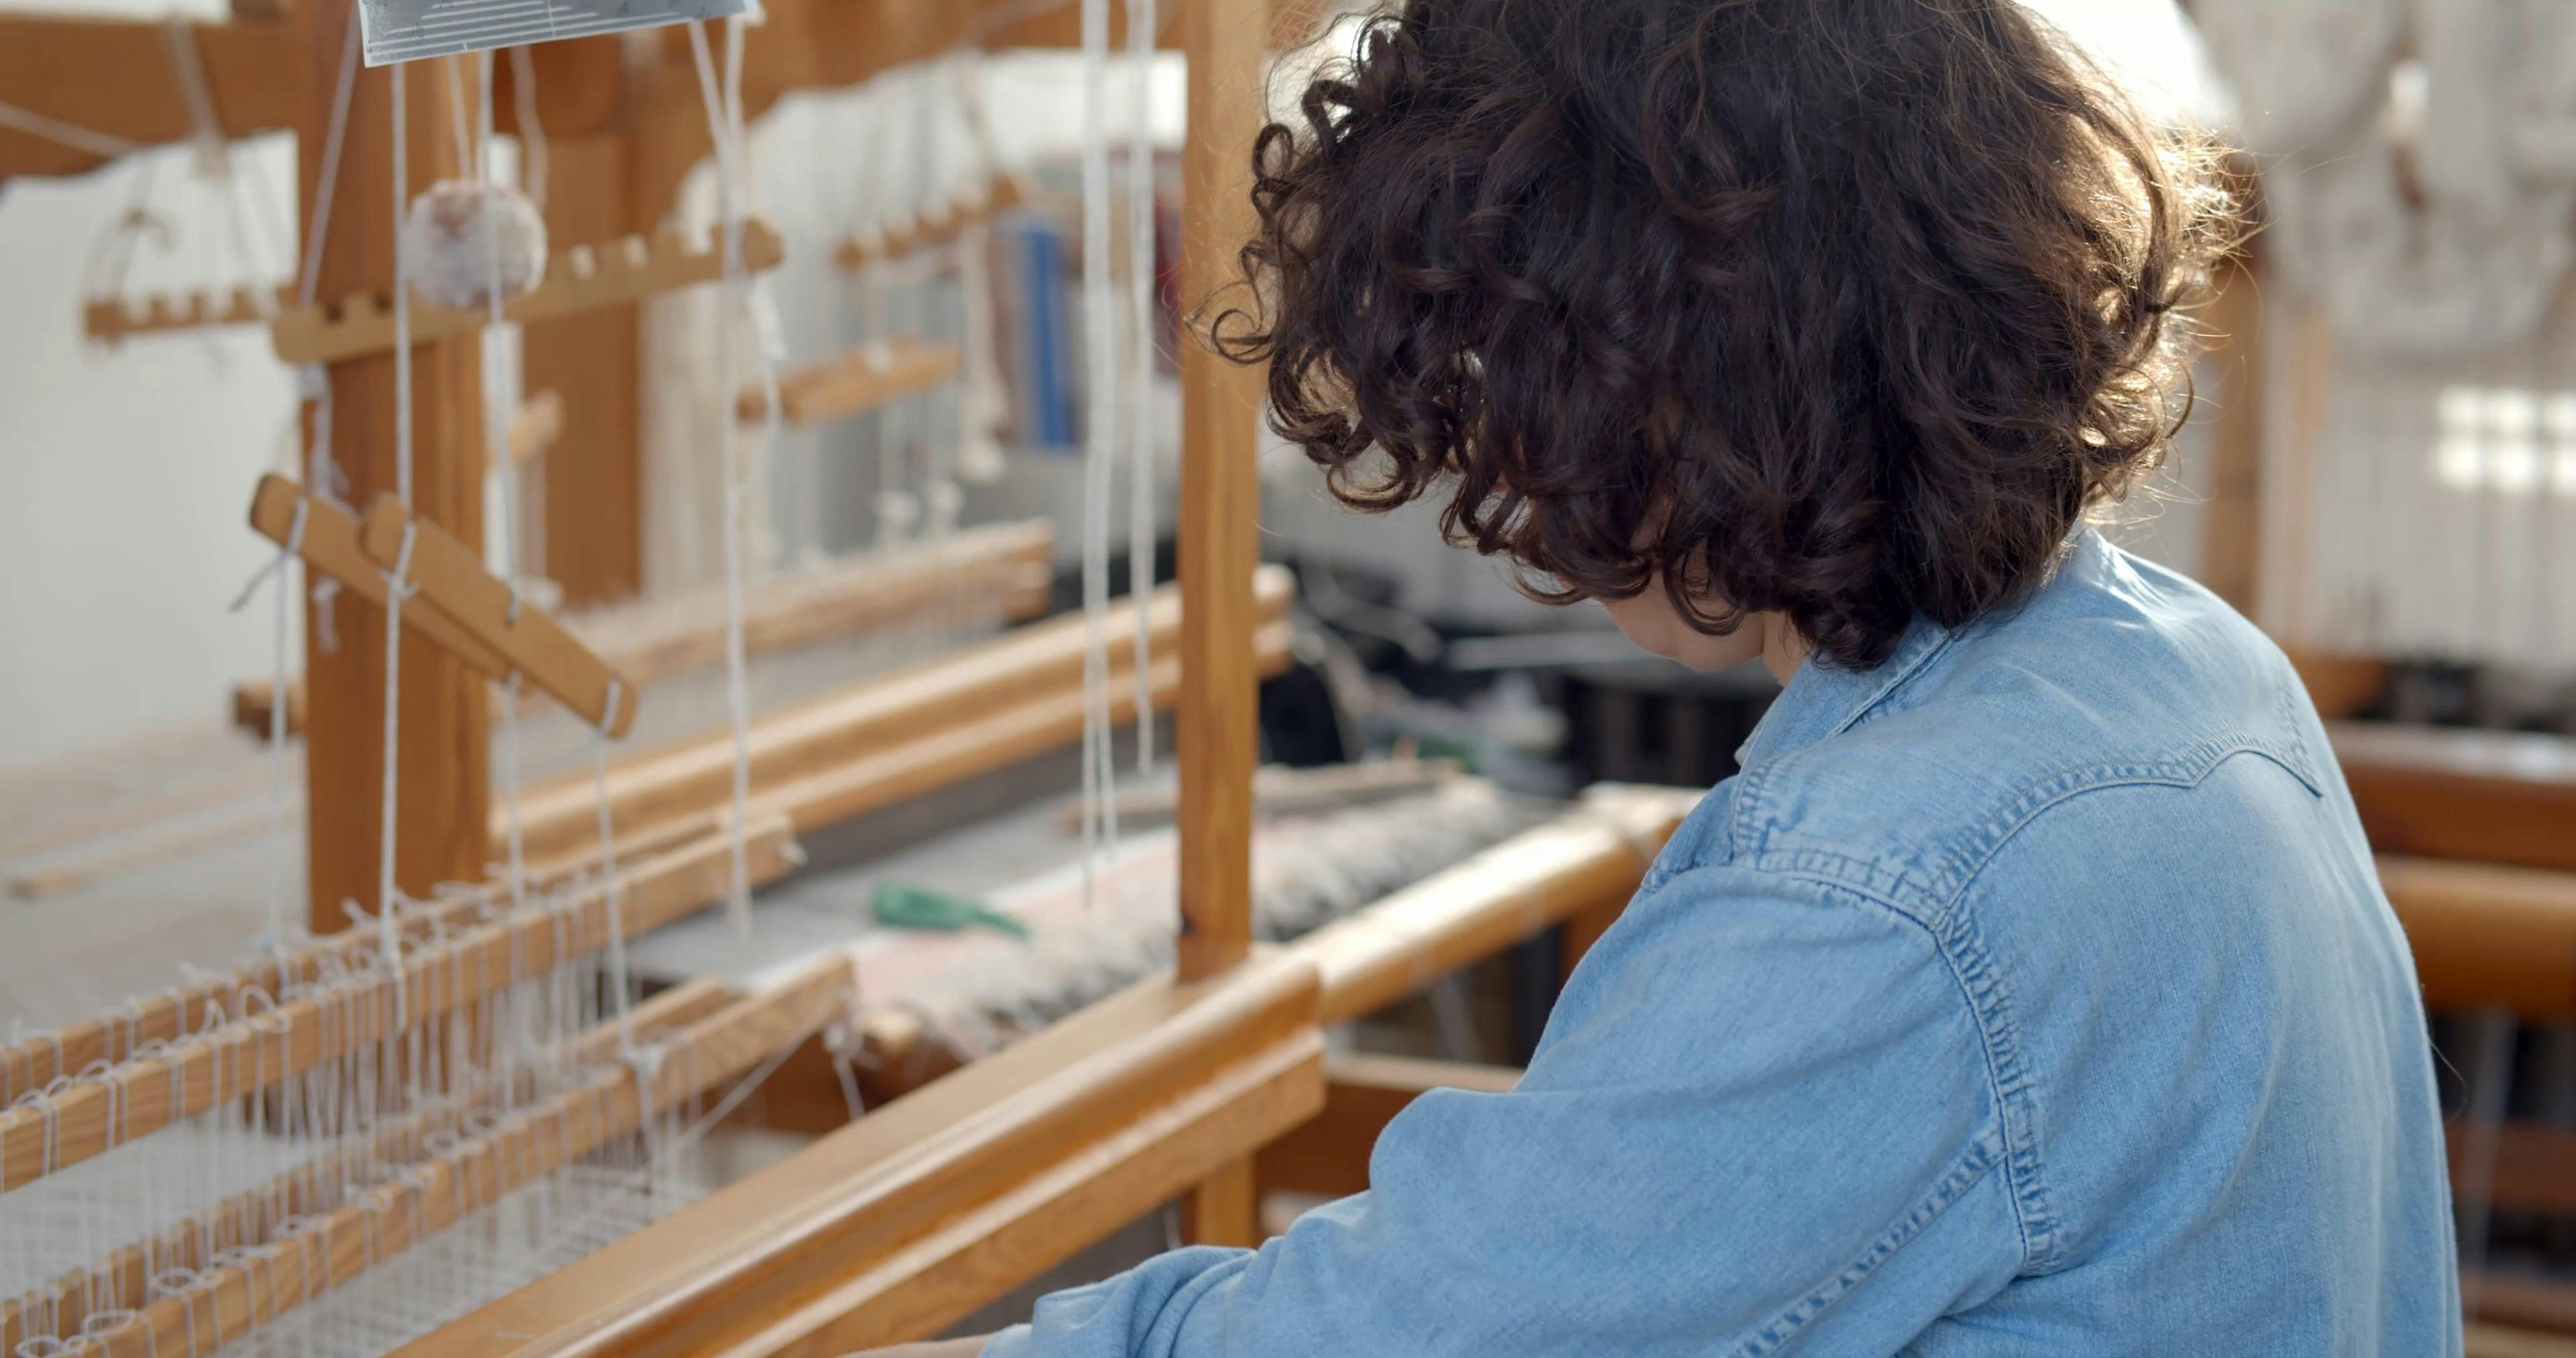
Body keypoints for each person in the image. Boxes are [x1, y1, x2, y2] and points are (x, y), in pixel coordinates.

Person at [859, 0, 2461, 1352]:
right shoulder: (2190, 672)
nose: (1495, 475)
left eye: (1512, 381)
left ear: (1677, 378)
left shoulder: (1883, 894)